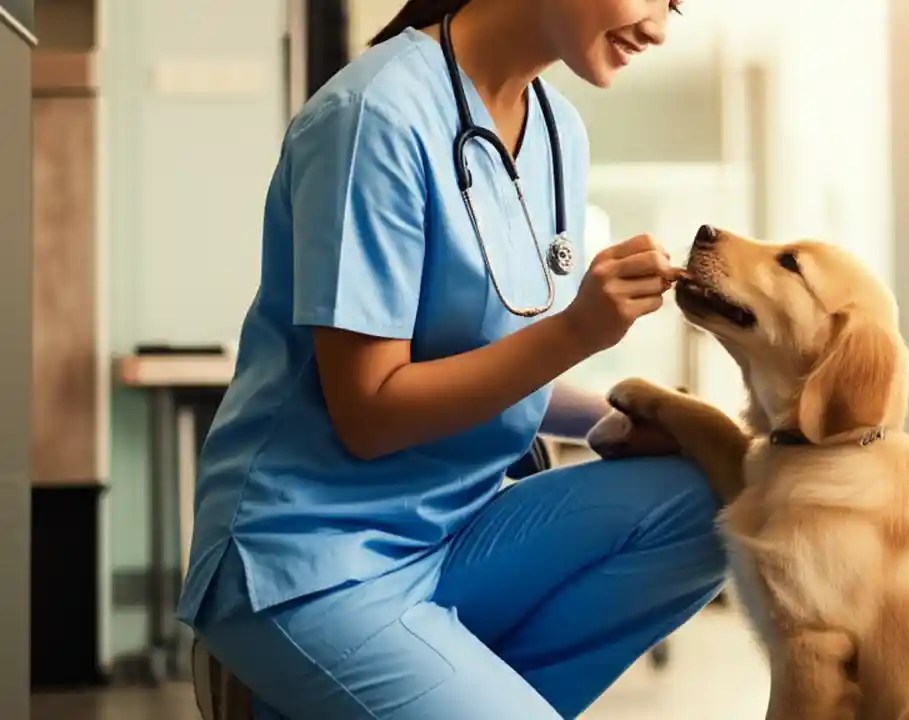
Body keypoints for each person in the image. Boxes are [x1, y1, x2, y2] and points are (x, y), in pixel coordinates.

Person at [175, 0, 727, 718]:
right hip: (308, 563)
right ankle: (281, 677)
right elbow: (369, 413)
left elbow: (494, 358)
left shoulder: (558, 130)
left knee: (714, 495)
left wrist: (616, 419)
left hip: (455, 533)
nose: (658, 26)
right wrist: (577, 331)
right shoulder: (373, 115)